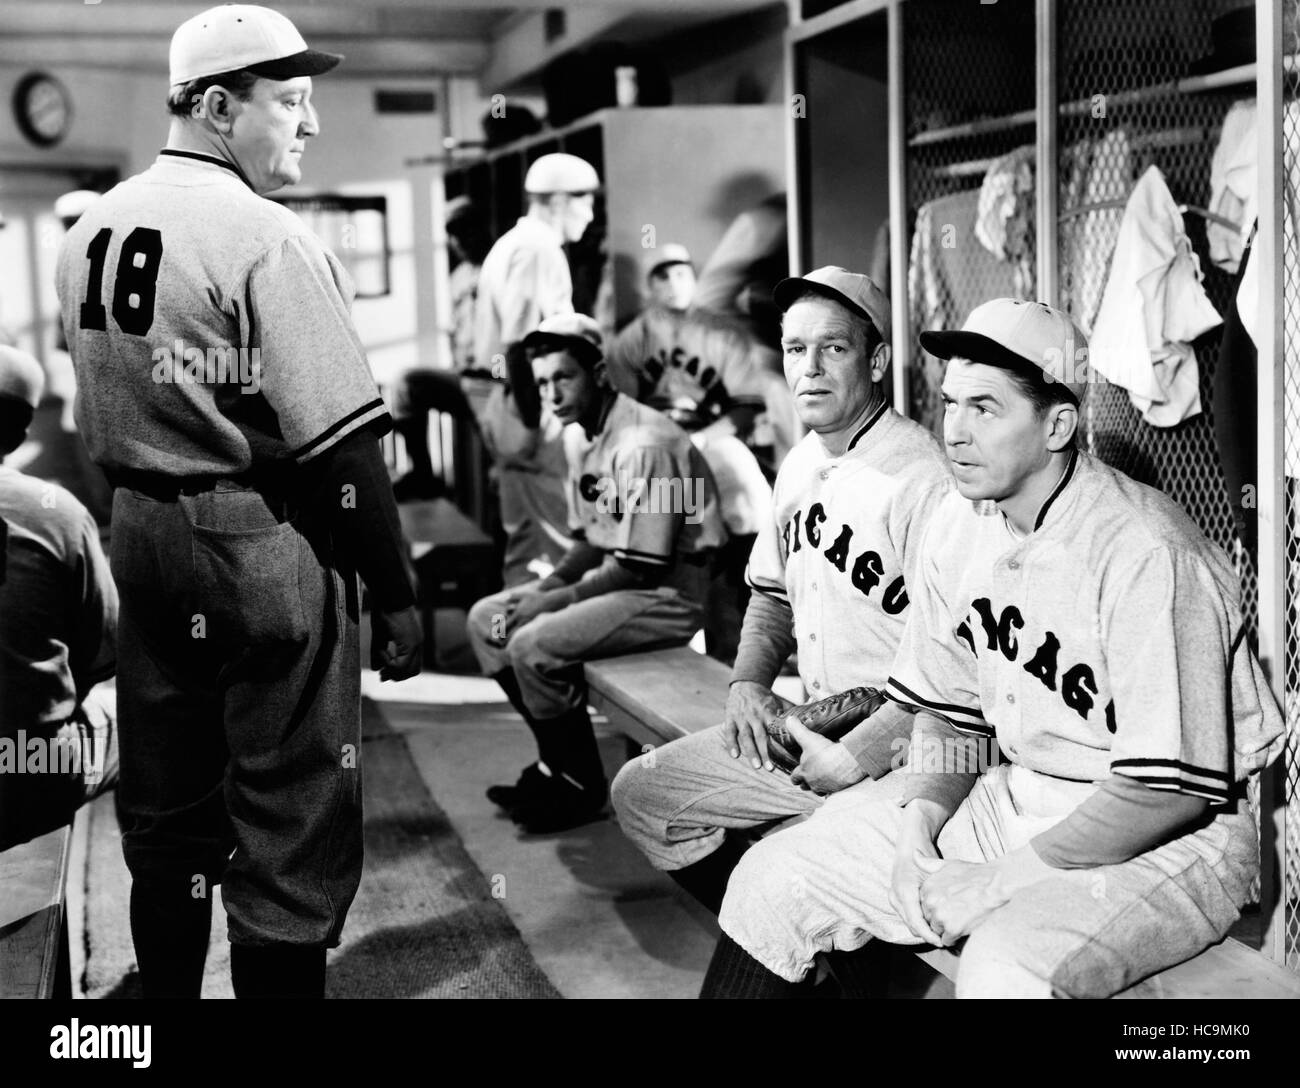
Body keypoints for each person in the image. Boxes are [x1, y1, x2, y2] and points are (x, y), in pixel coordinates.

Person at [700, 299, 1285, 999]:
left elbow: (1164, 790)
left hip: (1175, 837)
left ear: (1058, 424)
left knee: (1004, 970)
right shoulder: (960, 518)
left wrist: (996, 882)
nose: (954, 432)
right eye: (949, 403)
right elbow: (953, 715)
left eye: (985, 408)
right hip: (1019, 791)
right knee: (776, 879)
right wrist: (919, 830)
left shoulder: (1148, 554)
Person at [55, 4, 421, 1000]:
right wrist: (394, 589)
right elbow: (342, 449)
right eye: (292, 101)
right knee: (292, 810)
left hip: (140, 526)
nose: (310, 125)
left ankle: (164, 998)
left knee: (169, 803)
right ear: (218, 105)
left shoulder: (92, 225)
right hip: (257, 529)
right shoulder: (265, 234)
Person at [612, 268, 952, 931]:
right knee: (645, 790)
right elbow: (771, 597)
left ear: (877, 360)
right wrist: (746, 685)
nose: (810, 368)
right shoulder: (796, 463)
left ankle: (799, 934)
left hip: (899, 744)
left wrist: (860, 750)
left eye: (835, 347)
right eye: (796, 349)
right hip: (812, 722)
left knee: (804, 872)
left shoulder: (923, 480)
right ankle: (790, 957)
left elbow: (955, 670)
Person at [465, 314, 726, 833]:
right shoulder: (585, 435)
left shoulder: (644, 442)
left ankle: (579, 784)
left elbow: (638, 565)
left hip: (668, 594)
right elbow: (590, 540)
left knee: (532, 643)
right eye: (542, 383)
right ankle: (555, 764)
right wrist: (548, 586)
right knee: (486, 619)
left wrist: (550, 603)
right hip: (624, 579)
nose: (552, 393)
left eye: (564, 377)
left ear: (600, 373)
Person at [608, 244, 781, 662]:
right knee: (674, 536)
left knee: (750, 491)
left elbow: (745, 408)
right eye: (663, 276)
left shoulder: (721, 333)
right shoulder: (632, 339)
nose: (674, 283)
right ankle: (681, 644)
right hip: (656, 443)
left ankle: (760, 582)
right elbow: (621, 413)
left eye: (682, 273)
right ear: (650, 286)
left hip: (710, 435)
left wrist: (702, 439)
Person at [0, 345, 118, 850]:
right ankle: (166, 886)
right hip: (24, 777)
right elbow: (103, 654)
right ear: (20, 431)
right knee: (152, 714)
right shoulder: (54, 513)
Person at [474, 152, 600, 586]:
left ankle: (521, 646)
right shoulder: (537, 248)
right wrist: (537, 422)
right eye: (587, 202)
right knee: (547, 550)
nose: (591, 215)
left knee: (533, 545)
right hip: (529, 410)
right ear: (561, 201)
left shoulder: (517, 243)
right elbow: (519, 342)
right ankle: (530, 649)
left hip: (520, 405)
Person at [390, 197, 491, 502]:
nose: (462, 240)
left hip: (496, 383)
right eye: (455, 234)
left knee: (503, 481)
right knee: (408, 385)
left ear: (482, 228)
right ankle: (423, 473)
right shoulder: (459, 276)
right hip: (467, 378)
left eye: (468, 230)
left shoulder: (500, 263)